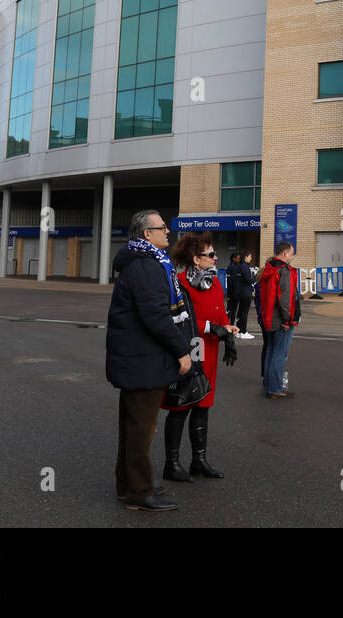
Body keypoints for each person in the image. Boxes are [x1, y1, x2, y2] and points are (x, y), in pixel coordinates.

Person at [105, 210, 193, 512]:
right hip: (142, 362)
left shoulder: (146, 263)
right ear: (147, 235)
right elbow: (156, 316)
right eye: (162, 228)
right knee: (141, 429)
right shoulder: (146, 266)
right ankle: (138, 493)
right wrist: (183, 351)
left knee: (133, 428)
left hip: (138, 359)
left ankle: (128, 485)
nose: (168, 231)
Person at [161, 233, 238, 481]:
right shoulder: (180, 283)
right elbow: (180, 319)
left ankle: (199, 460)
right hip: (190, 348)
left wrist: (227, 332)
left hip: (211, 349)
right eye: (211, 254)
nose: (216, 258)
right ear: (196, 259)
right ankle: (171, 464)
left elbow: (221, 312)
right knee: (181, 404)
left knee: (203, 405)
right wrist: (210, 328)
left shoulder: (214, 281)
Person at [257, 241, 301, 399]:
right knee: (279, 354)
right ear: (285, 253)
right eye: (292, 253)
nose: (292, 256)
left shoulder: (268, 268)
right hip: (281, 320)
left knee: (270, 351)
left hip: (269, 318)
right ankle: (275, 388)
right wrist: (288, 319)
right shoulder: (284, 270)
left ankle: (270, 385)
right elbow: (285, 298)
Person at [226, 251, 255, 338]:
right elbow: (248, 280)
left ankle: (238, 331)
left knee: (240, 312)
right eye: (250, 256)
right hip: (245, 293)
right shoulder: (244, 266)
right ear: (246, 257)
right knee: (243, 312)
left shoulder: (238, 266)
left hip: (240, 292)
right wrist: (256, 277)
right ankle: (243, 331)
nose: (251, 258)